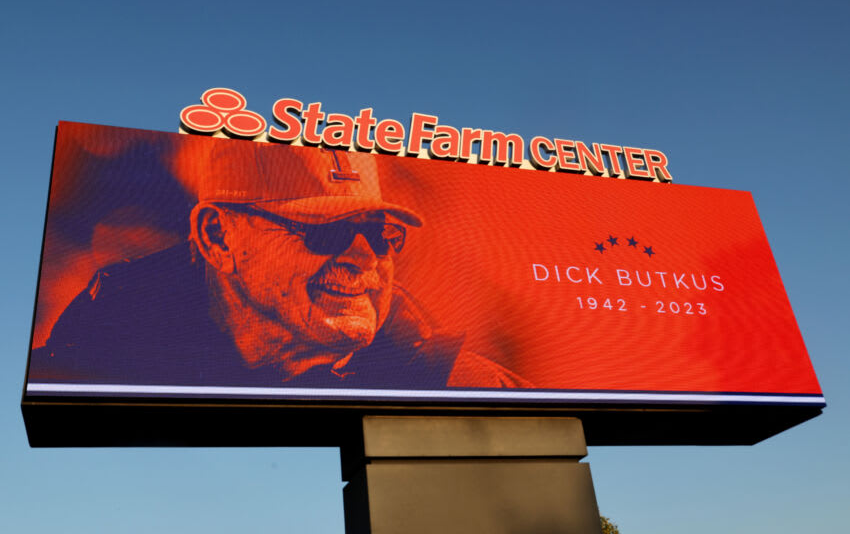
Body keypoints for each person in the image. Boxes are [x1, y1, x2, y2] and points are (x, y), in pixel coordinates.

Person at [30, 139, 529, 390]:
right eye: (325, 230)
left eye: (383, 234)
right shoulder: (112, 320)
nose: (364, 257)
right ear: (217, 237)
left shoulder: (450, 381)